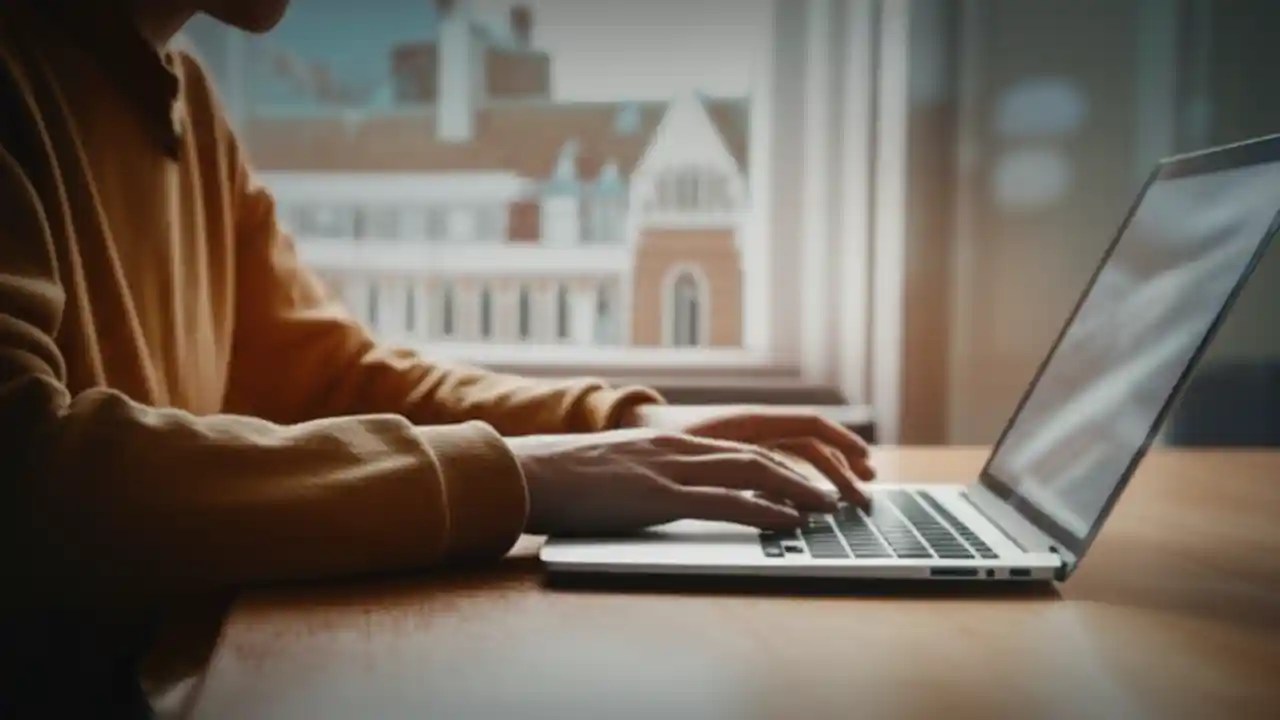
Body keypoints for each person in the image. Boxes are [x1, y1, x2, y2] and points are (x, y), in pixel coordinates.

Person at [0, 0, 874, 715]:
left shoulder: (179, 91)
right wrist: (522, 478)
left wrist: (628, 427)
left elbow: (332, 376)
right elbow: (28, 472)